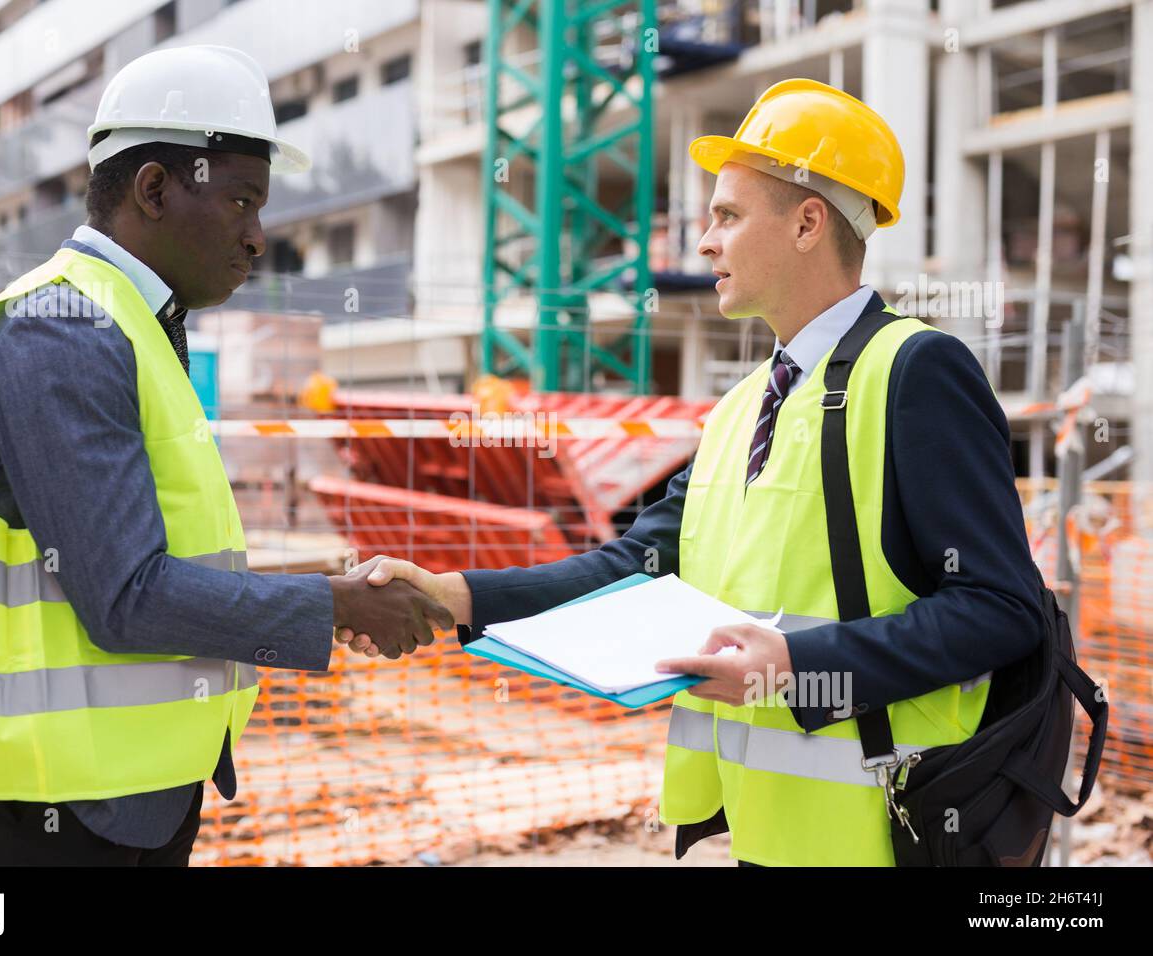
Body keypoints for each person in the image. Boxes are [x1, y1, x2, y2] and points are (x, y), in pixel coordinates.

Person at [332, 79, 1046, 867]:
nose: (703, 242)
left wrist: (798, 671)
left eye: (727, 216)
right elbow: (628, 566)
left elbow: (999, 608)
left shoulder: (917, 371)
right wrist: (451, 595)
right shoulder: (743, 406)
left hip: (892, 835)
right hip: (768, 836)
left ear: (809, 222)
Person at [0, 45, 451, 867]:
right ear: (155, 189)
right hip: (42, 807)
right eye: (241, 200)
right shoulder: (62, 325)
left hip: (117, 797)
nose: (259, 237)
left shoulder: (132, 326)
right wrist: (334, 605)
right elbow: (124, 594)